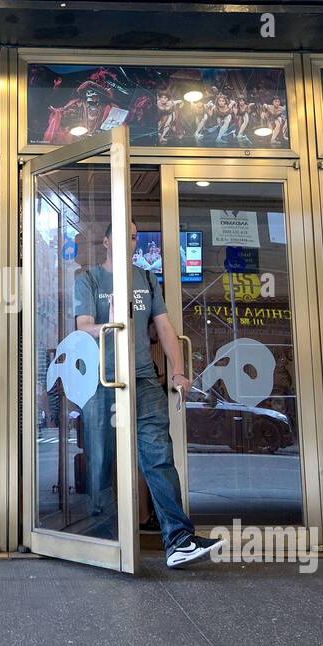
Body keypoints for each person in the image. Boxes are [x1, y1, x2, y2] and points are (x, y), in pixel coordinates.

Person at [73, 222, 223, 568]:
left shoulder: (146, 278)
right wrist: (109, 327)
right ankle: (105, 543)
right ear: (107, 240)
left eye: (135, 236)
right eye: (124, 235)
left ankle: (179, 541)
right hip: (103, 382)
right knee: (102, 461)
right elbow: (82, 327)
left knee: (158, 457)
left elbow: (166, 328)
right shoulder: (90, 279)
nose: (131, 241)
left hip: (142, 379)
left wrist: (178, 370)